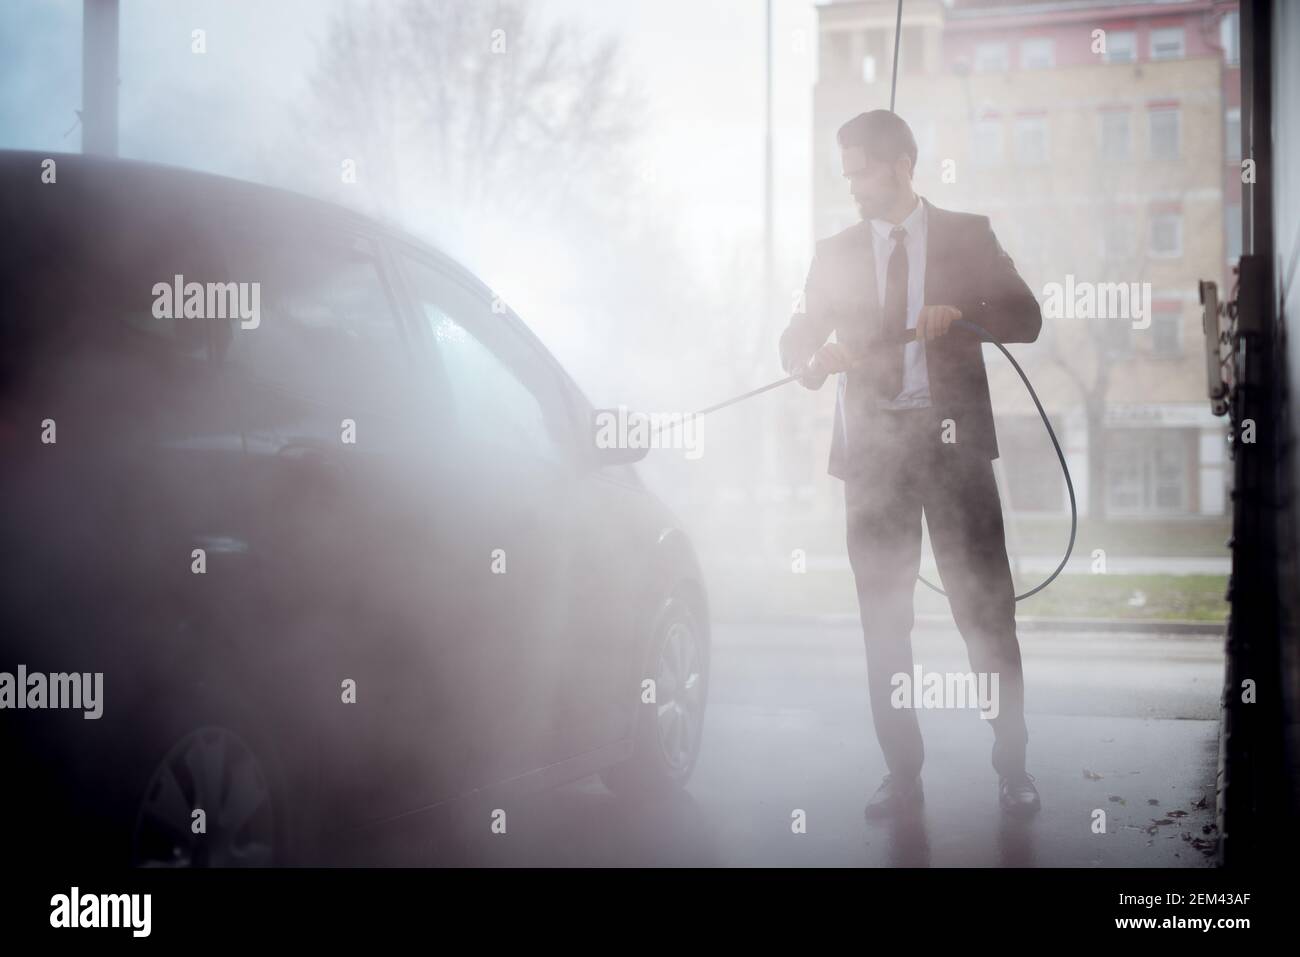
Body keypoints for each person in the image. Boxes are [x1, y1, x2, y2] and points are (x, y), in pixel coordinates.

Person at [779, 109, 1043, 819]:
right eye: (847, 172)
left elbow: (1027, 315)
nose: (853, 185)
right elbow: (798, 334)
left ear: (901, 166)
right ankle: (903, 772)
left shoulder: (967, 234)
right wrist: (813, 358)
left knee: (985, 615)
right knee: (883, 623)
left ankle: (1012, 764)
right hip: (875, 465)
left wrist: (962, 310)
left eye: (862, 170)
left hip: (955, 454)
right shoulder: (833, 251)